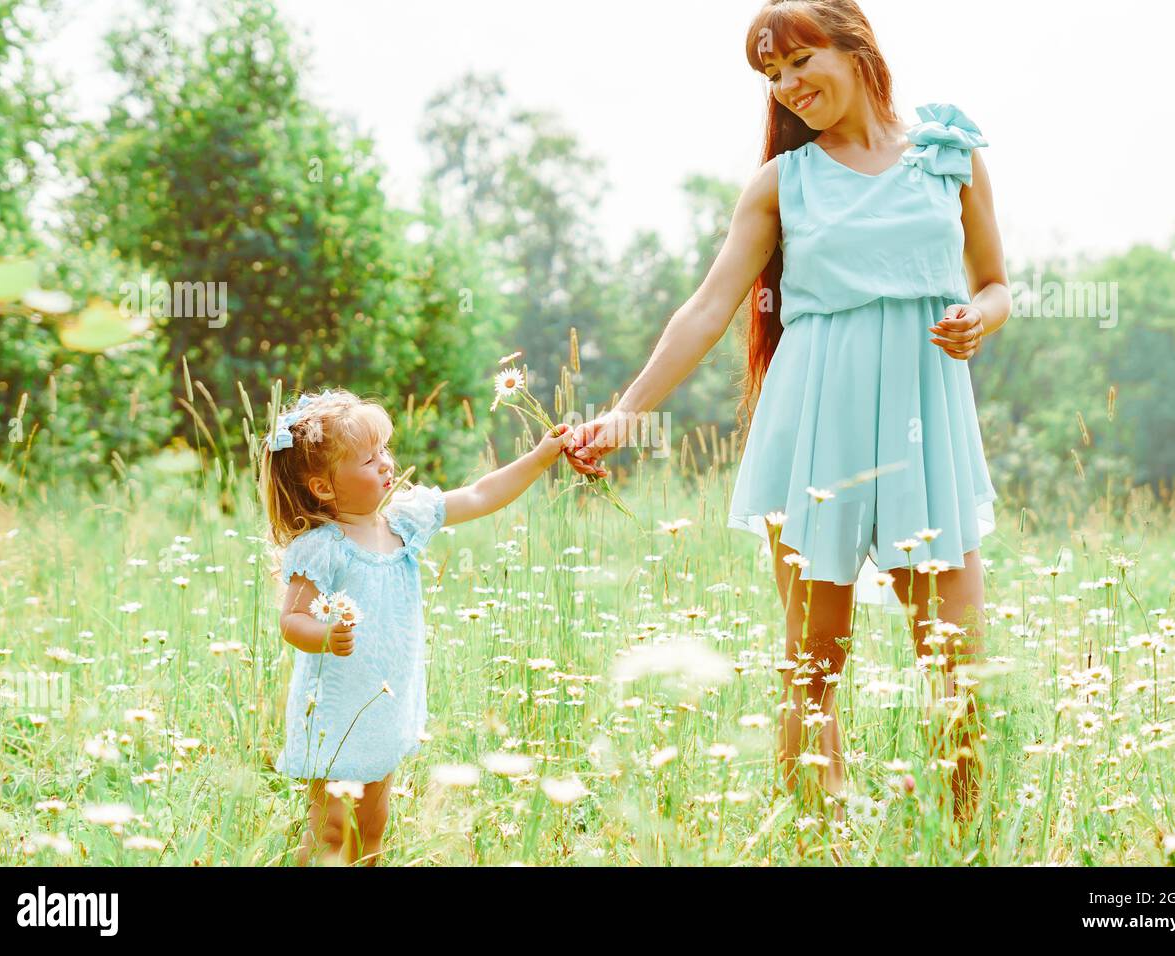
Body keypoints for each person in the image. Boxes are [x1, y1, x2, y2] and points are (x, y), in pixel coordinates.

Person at [565, 0, 1010, 829]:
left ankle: (969, 840)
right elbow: (706, 310)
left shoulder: (951, 155)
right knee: (814, 664)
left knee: (956, 664)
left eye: (800, 62)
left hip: (928, 424)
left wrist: (979, 317)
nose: (788, 86)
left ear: (856, 47)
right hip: (814, 426)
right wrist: (623, 417)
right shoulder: (781, 183)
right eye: (772, 76)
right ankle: (817, 839)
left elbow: (994, 281)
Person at [259, 387, 572, 864]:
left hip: (385, 699)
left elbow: (481, 494)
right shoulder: (322, 547)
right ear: (324, 486)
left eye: (384, 449)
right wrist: (324, 635)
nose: (386, 463)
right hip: (336, 710)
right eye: (368, 459)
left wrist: (539, 456)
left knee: (373, 821)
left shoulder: (404, 522)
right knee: (331, 827)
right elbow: (292, 619)